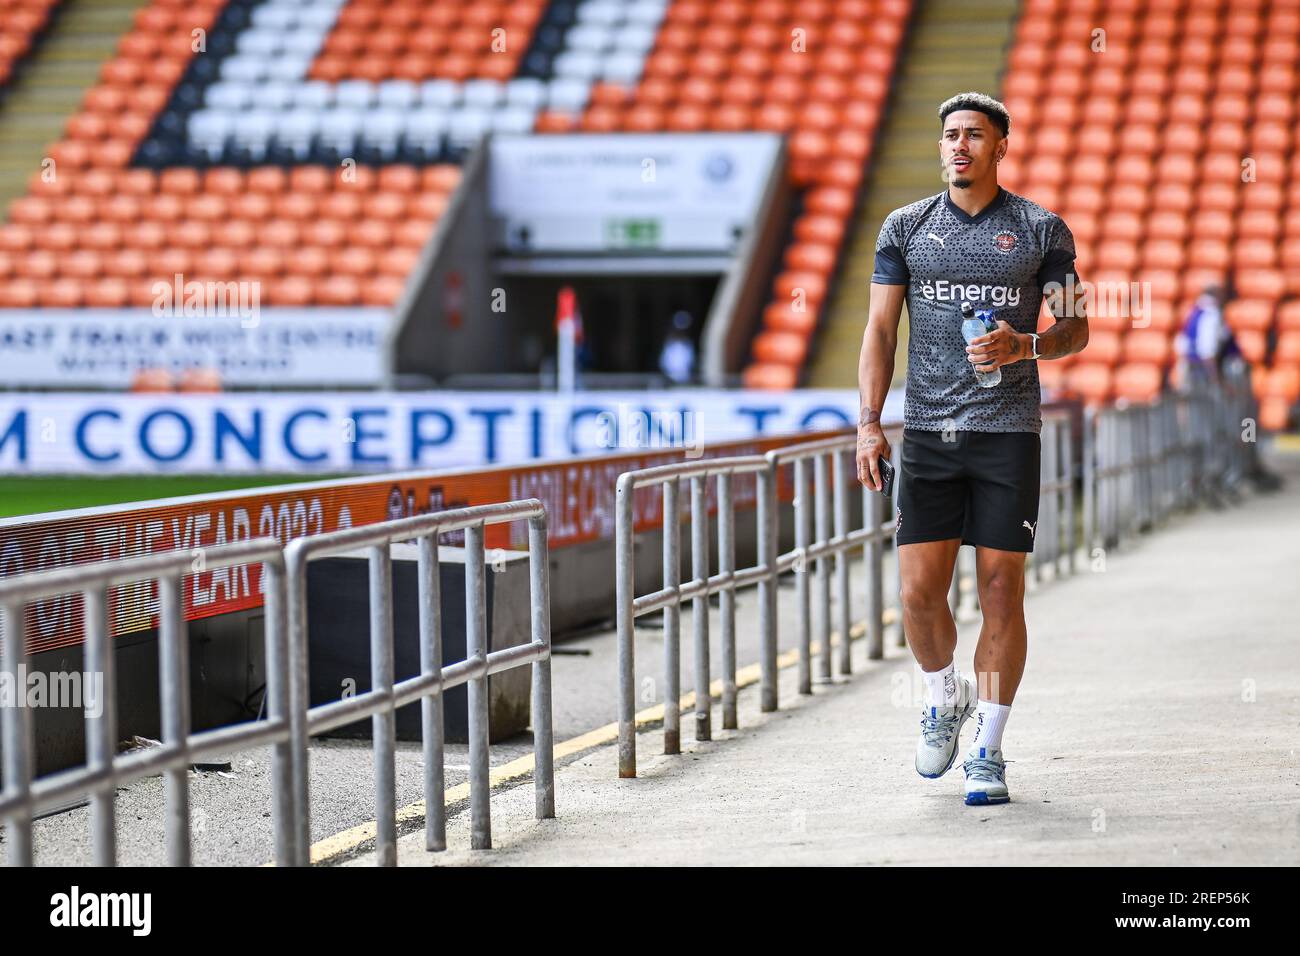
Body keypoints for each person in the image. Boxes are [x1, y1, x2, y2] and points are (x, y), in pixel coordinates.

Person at [855, 92, 1089, 806]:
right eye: (951, 135)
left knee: (1000, 591)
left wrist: (1029, 345)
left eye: (974, 136)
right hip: (927, 434)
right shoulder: (906, 227)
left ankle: (987, 748)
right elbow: (879, 332)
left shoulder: (1039, 228)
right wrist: (868, 421)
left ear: (1000, 147)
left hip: (1007, 434)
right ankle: (941, 694)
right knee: (919, 595)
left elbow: (1076, 328)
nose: (960, 146)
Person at [659, 310, 697, 384]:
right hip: (670, 381)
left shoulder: (688, 344)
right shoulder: (669, 344)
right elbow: (664, 363)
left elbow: (691, 364)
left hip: (686, 382)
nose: (680, 332)